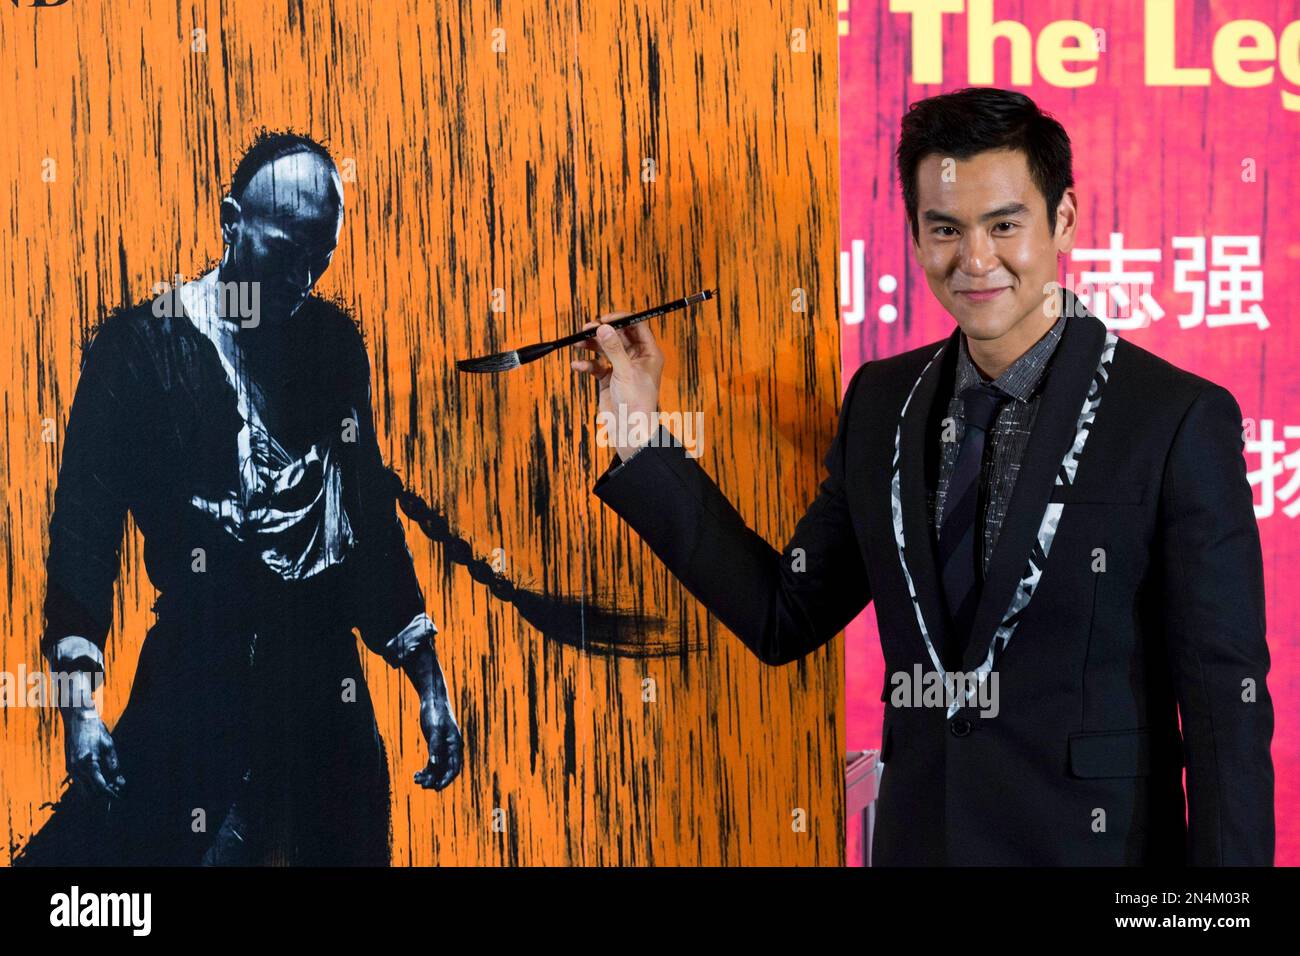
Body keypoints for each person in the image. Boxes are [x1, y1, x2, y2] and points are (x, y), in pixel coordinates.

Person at [570, 88, 1274, 866]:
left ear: (1063, 220)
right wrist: (640, 431)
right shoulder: (882, 402)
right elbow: (784, 614)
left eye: (1005, 225)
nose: (975, 260)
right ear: (913, 234)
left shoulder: (1174, 417)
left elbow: (1224, 711)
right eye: (946, 230)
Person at [15, 131, 463, 866]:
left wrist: (429, 686)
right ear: (231, 220)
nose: (304, 277)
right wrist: (80, 708)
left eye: (321, 256)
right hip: (197, 681)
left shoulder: (332, 345)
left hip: (325, 697)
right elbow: (85, 535)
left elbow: (366, 522)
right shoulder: (139, 349)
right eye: (287, 249)